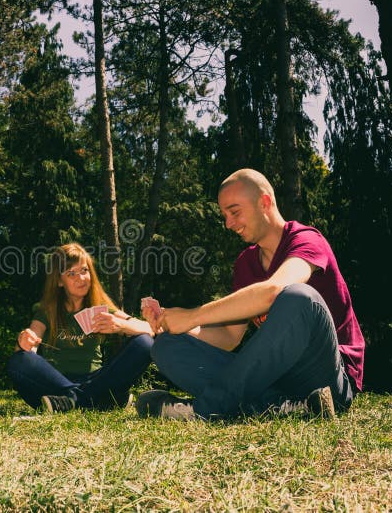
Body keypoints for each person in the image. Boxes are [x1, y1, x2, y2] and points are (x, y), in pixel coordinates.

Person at [136, 169, 364, 420]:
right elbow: (229, 337)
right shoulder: (246, 263)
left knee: (299, 297)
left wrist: (193, 316)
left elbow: (273, 291)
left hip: (326, 377)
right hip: (276, 379)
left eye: (234, 212)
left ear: (264, 202)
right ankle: (283, 407)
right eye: (225, 216)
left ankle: (206, 408)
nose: (228, 224)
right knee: (166, 346)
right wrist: (176, 324)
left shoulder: (306, 239)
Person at [7, 243, 154, 413]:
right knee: (18, 361)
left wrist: (121, 325)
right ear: (59, 281)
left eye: (84, 270)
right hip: (54, 382)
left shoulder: (100, 306)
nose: (81, 278)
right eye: (71, 273)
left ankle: (71, 401)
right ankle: (98, 401)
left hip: (97, 381)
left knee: (145, 343)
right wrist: (26, 341)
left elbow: (149, 330)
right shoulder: (48, 310)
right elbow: (29, 344)